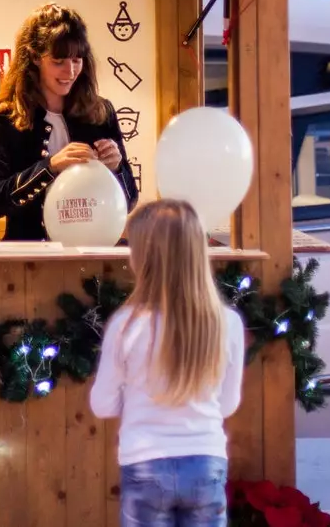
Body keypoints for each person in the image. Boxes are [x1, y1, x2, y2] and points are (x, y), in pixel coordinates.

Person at [89, 199, 245, 527]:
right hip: (206, 461)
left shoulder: (126, 324)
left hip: (144, 462)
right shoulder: (227, 323)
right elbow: (227, 404)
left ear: (143, 258)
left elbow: (102, 405)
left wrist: (137, 400)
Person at [0, 4, 138, 240]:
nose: (70, 71)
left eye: (77, 60)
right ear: (33, 57)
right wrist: (49, 167)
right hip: (28, 262)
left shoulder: (101, 111)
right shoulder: (3, 116)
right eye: (59, 61)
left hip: (91, 258)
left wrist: (116, 168)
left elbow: (129, 200)